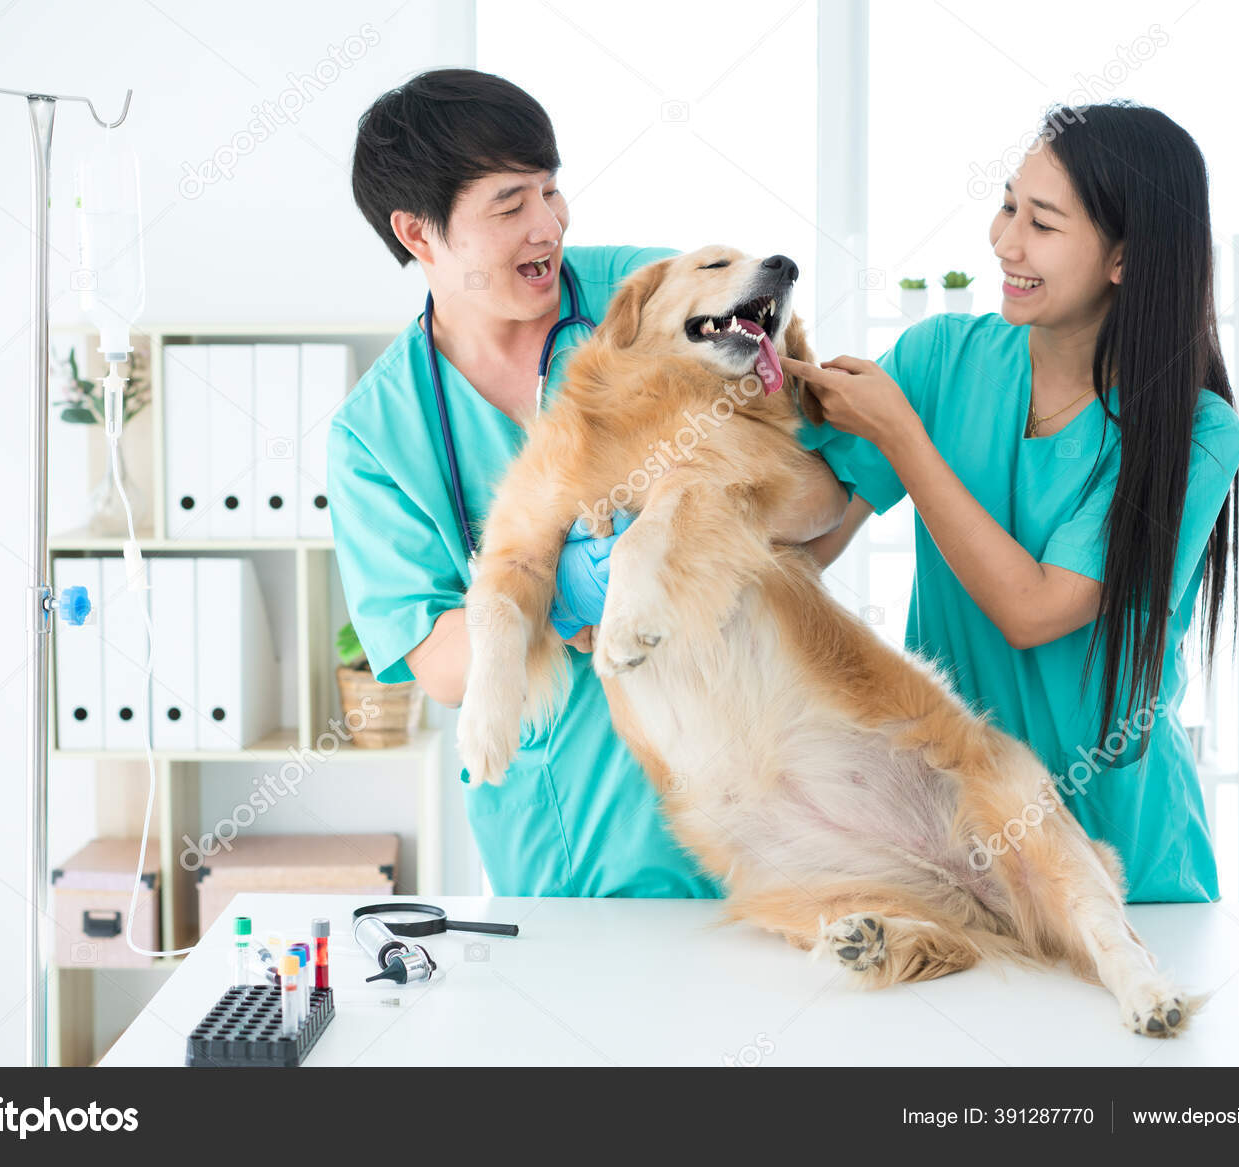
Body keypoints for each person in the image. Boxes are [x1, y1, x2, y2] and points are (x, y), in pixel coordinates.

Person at [327, 69, 850, 897]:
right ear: (419, 234)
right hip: (568, 834)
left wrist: (700, 541)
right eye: (509, 204)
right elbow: (439, 664)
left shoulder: (649, 297)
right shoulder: (377, 435)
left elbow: (819, 478)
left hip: (756, 778)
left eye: (551, 189)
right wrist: (569, 589)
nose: (549, 224)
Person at [783, 101, 1239, 902]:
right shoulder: (939, 358)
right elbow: (812, 536)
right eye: (1005, 206)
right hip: (958, 837)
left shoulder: (1194, 434)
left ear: (1125, 259)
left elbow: (1033, 609)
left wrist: (905, 440)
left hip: (1123, 856)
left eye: (1042, 222)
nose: (1005, 242)